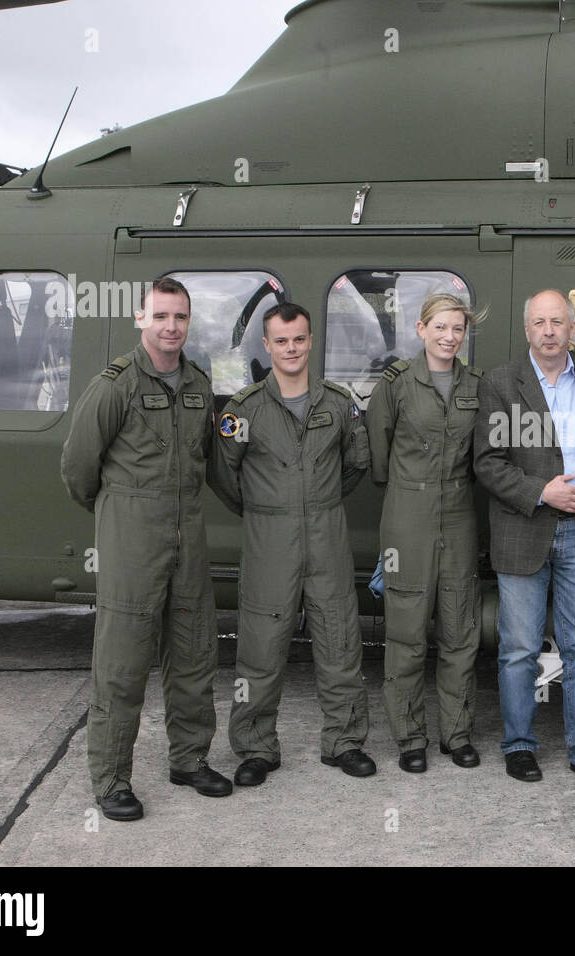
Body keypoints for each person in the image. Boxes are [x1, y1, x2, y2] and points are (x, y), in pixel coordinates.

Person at [60, 277, 231, 822]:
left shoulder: (200, 387)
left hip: (188, 532)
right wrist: (118, 515)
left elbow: (207, 461)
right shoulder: (116, 384)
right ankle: (111, 779)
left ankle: (189, 759)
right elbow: (77, 467)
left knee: (193, 650)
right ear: (141, 319)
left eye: (180, 317)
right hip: (133, 531)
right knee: (123, 661)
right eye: (161, 316)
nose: (171, 327)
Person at [210, 302, 375, 784]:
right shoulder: (243, 410)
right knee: (259, 649)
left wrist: (316, 504)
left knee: (340, 642)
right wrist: (268, 510)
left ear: (310, 341)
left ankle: (344, 742)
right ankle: (255, 749)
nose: (291, 348)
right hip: (269, 541)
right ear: (266, 345)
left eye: (299, 339)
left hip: (327, 536)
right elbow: (224, 475)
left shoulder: (339, 404)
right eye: (281, 341)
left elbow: (355, 465)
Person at [473, 289, 575, 792]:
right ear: (527, 329)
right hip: (523, 527)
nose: (549, 330)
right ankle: (519, 746)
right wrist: (542, 492)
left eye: (557, 321)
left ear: (570, 327)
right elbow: (488, 463)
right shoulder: (499, 383)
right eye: (539, 322)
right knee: (518, 647)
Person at [366, 293, 483, 773]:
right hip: (407, 514)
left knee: (460, 630)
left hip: (458, 514)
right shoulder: (394, 386)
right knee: (407, 632)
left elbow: (481, 460)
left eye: (458, 329)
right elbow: (378, 459)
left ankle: (456, 735)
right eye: (441, 327)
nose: (449, 337)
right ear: (421, 329)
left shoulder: (476, 385)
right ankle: (410, 738)